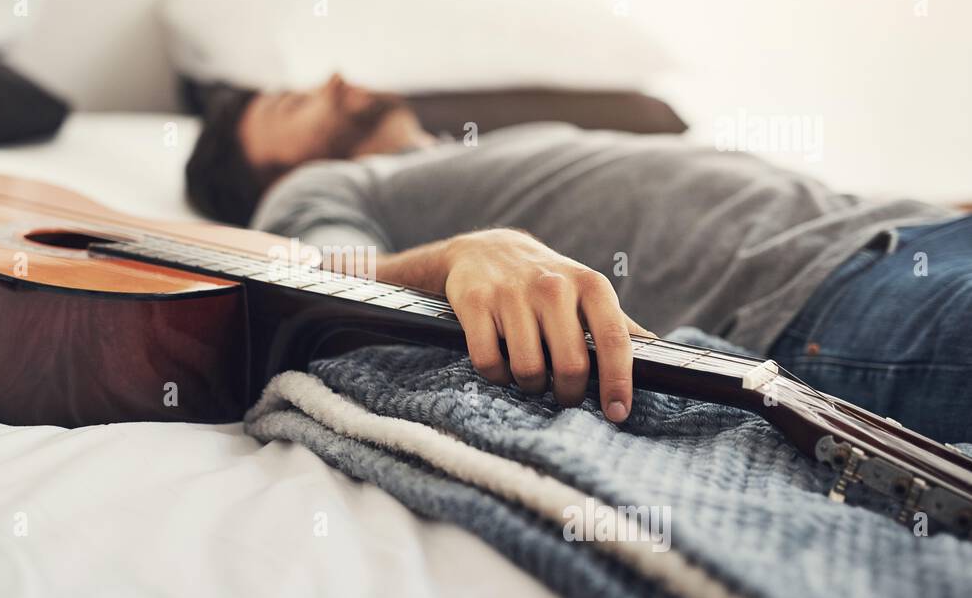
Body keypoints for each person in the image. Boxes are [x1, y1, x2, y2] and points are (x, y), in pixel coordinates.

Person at [185, 74, 971, 442]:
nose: (332, 80)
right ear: (267, 171)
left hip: (911, 231)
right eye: (292, 104)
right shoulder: (324, 183)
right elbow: (313, 270)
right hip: (834, 296)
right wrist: (467, 253)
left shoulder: (488, 151)